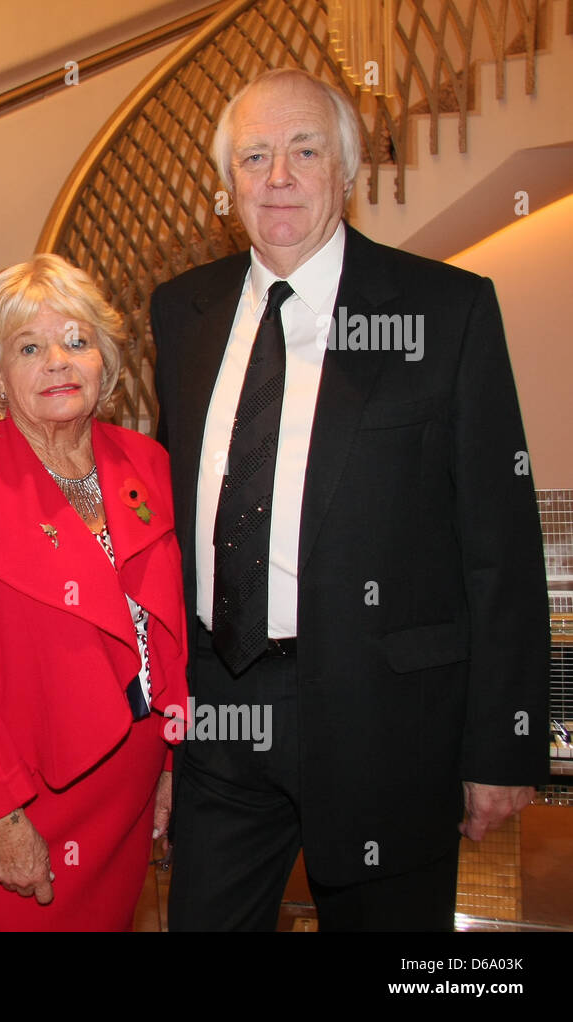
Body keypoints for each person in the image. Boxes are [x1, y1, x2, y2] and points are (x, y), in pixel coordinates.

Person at [150, 68, 549, 931]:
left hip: (385, 718)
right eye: (254, 156)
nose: (279, 176)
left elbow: (500, 544)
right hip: (223, 706)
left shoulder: (446, 311)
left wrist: (502, 745)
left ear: (349, 168)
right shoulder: (183, 312)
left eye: (304, 150)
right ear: (228, 186)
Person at [0, 254, 187, 930]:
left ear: (106, 361)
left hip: (132, 776)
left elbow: (168, 630)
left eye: (77, 341)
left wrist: (174, 757)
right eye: (30, 347)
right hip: (23, 795)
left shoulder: (146, 462)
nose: (58, 361)